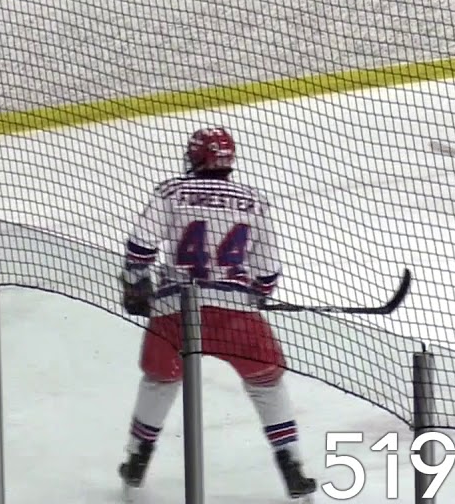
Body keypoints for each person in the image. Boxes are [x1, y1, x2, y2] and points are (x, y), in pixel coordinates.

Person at [115, 126, 316, 500]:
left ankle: (137, 459)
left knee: (160, 380)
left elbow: (140, 247)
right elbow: (268, 270)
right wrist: (257, 294)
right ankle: (291, 465)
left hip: (175, 309)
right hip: (234, 314)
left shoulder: (172, 191)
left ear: (195, 157)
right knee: (266, 383)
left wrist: (136, 282)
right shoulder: (254, 200)